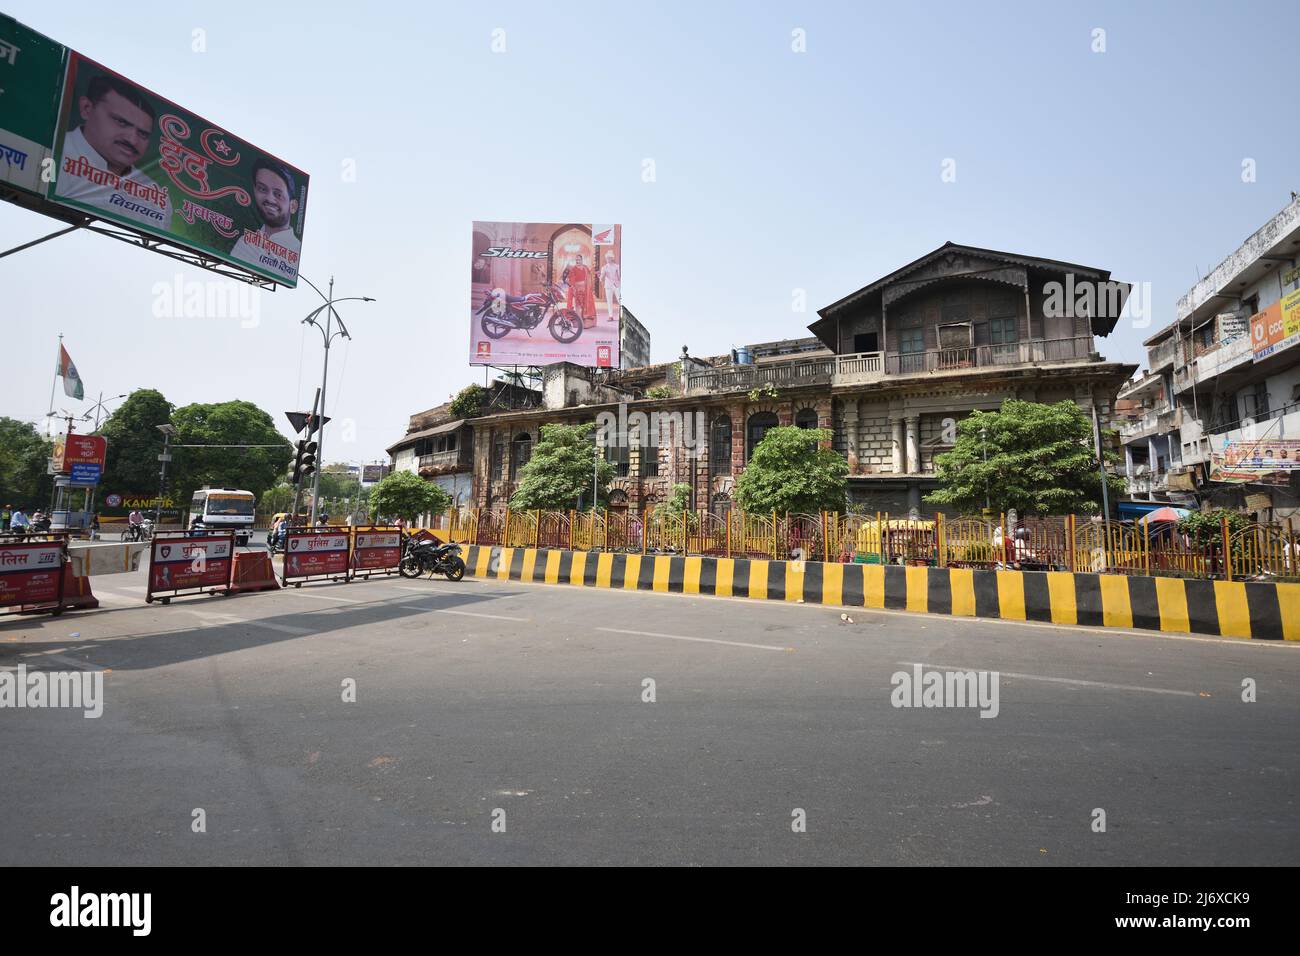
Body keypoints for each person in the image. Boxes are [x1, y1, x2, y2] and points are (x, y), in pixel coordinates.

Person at [54, 74, 172, 231]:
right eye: (121, 122)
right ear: (86, 108)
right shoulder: (50, 157)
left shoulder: (157, 198)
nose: (132, 140)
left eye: (142, 134)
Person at [228, 160, 302, 283]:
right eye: (262, 189)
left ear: (293, 206)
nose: (269, 198)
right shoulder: (245, 242)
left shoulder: (296, 251)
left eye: (278, 194)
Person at [561, 254, 596, 325]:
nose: (577, 261)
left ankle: (584, 320)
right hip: (577, 289)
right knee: (578, 305)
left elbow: (589, 276)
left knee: (584, 305)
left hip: (585, 289)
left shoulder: (585, 268)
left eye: (579, 259)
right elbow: (572, 279)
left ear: (582, 260)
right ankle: (578, 322)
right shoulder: (573, 268)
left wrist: (595, 274)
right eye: (576, 260)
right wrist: (574, 288)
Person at [599, 253, 620, 323]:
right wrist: (600, 276)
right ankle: (610, 316)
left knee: (620, 300)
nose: (607, 259)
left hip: (616, 285)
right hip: (608, 286)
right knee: (609, 301)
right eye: (607, 258)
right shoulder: (604, 267)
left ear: (612, 258)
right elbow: (601, 278)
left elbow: (619, 276)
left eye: (609, 258)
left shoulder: (617, 266)